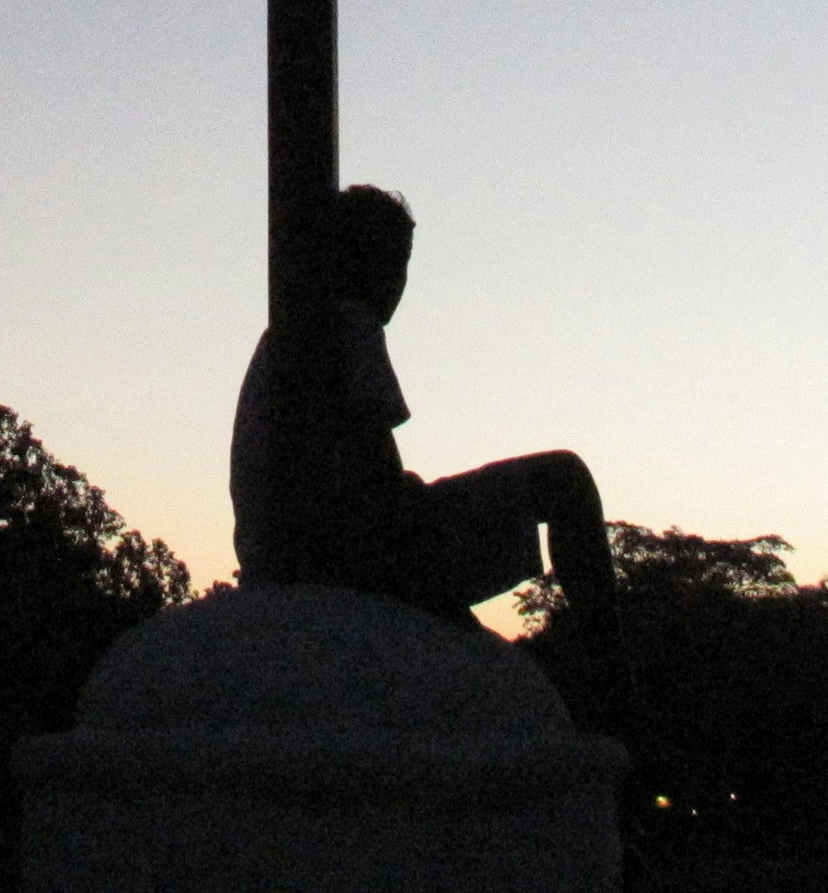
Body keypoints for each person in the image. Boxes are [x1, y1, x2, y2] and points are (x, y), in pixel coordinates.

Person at [229, 185, 624, 720]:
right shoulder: (347, 321)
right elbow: (375, 490)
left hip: (293, 549)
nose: (398, 282)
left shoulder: (289, 334)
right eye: (389, 261)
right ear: (354, 259)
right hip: (347, 556)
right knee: (564, 479)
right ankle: (614, 668)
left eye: (403, 265)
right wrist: (442, 603)